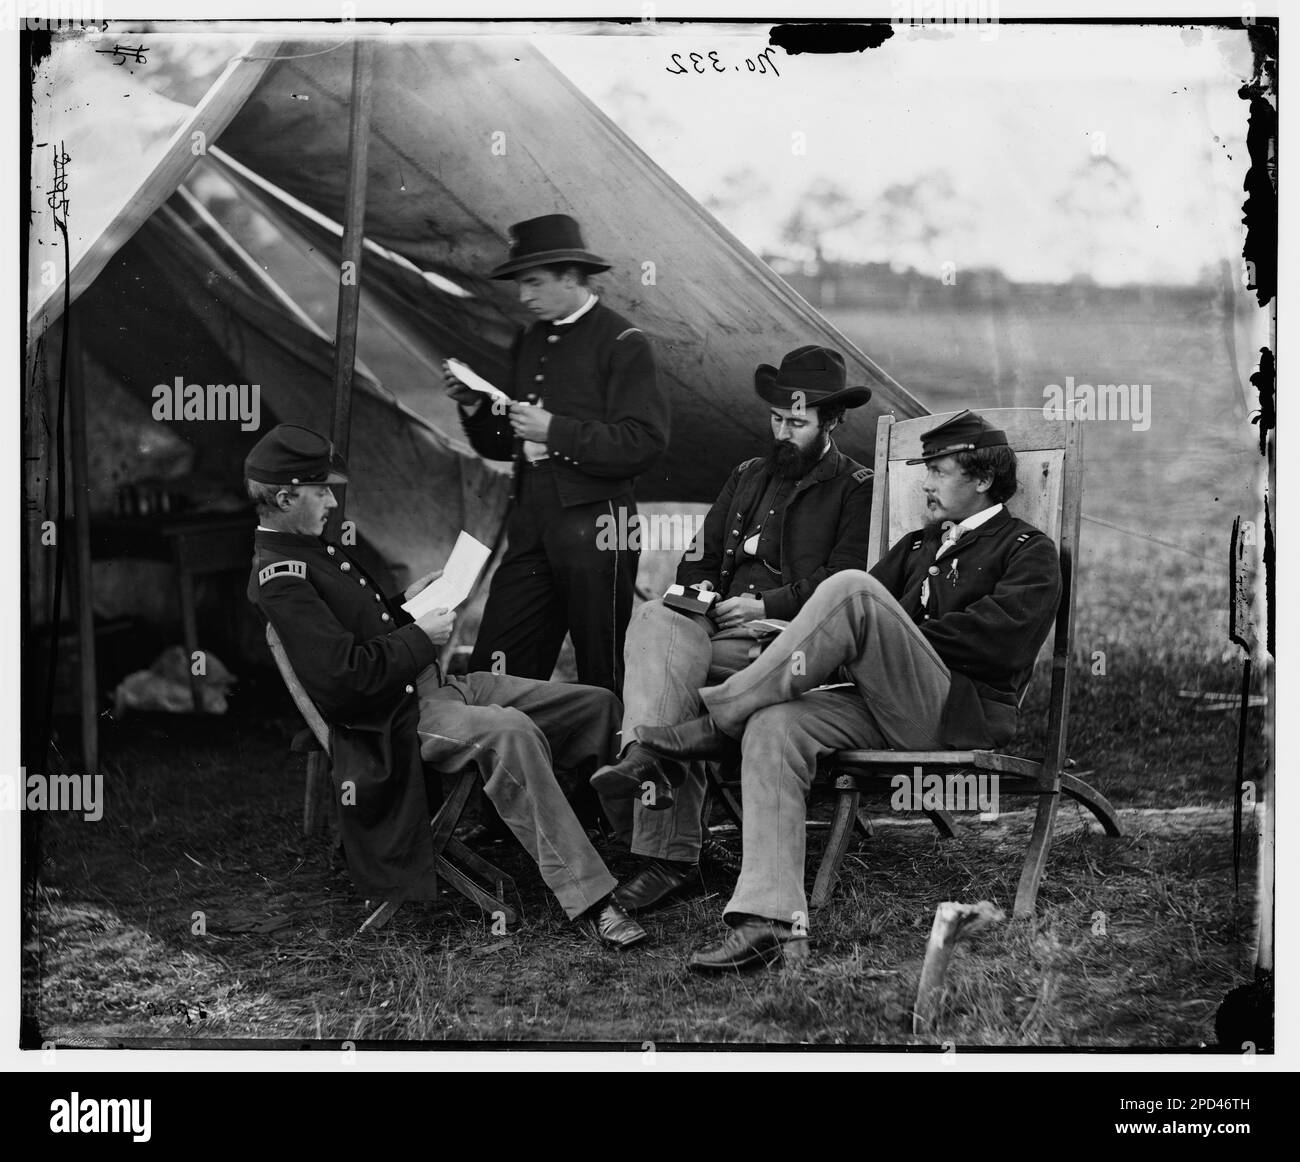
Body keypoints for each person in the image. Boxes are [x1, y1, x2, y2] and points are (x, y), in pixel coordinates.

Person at [638, 410, 1063, 971]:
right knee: (775, 726)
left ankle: (721, 718)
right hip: (878, 703)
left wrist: (891, 638)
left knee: (852, 589)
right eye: (925, 470)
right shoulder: (917, 546)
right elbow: (844, 628)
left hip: (955, 711)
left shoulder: (1028, 550)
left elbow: (999, 643)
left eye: (939, 471)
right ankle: (770, 922)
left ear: (983, 479)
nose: (926, 483)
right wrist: (854, 643)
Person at [245, 424, 648, 950]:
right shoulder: (281, 575)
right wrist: (418, 636)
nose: (330, 499)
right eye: (319, 489)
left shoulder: (307, 546)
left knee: (596, 705)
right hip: (393, 720)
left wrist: (403, 605)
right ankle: (594, 900)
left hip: (432, 688)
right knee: (512, 733)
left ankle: (641, 847)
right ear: (283, 497)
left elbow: (357, 628)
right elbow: (345, 677)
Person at [590, 345, 875, 915]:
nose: (783, 431)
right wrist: (710, 602)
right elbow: (694, 565)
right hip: (717, 631)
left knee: (682, 687)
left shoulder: (857, 487)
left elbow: (846, 583)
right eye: (777, 419)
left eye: (797, 422)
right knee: (654, 617)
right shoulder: (746, 475)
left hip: (789, 644)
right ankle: (644, 754)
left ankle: (668, 856)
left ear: (832, 422)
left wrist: (762, 603)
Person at [446, 214, 670, 694]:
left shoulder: (623, 343)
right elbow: (504, 444)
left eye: (533, 282)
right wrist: (474, 407)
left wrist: (556, 431)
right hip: (532, 524)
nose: (523, 296)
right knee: (497, 665)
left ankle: (610, 767)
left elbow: (643, 443)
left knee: (602, 668)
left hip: (599, 525)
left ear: (571, 276)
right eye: (521, 284)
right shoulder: (528, 339)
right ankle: (505, 761)